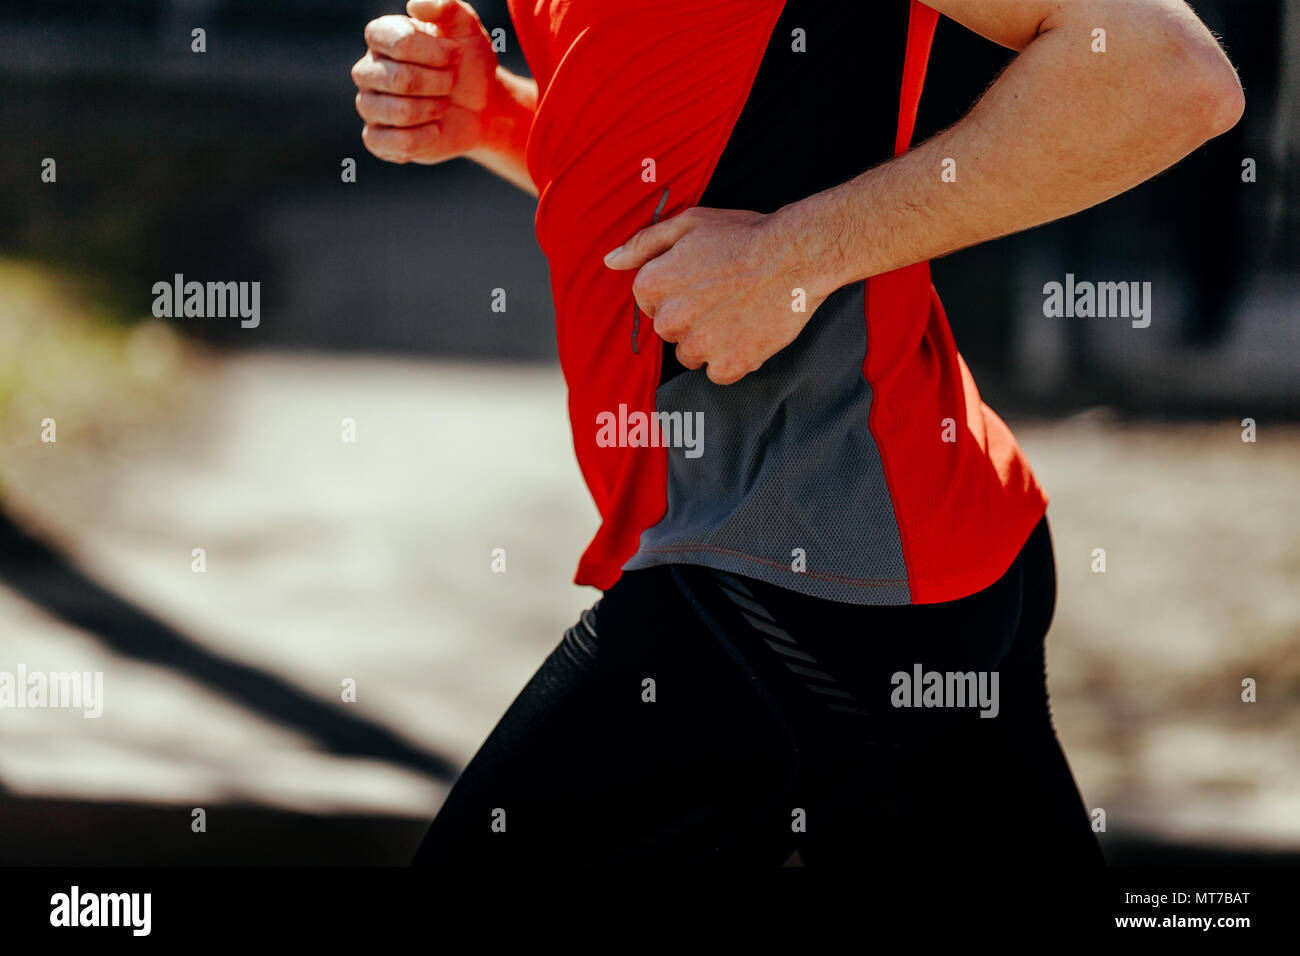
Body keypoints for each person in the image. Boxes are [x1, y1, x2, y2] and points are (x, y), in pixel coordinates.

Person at [352, 0, 1243, 867]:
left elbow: (1164, 70)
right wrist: (499, 119)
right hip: (915, 540)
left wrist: (793, 257)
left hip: (805, 557)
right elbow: (705, 142)